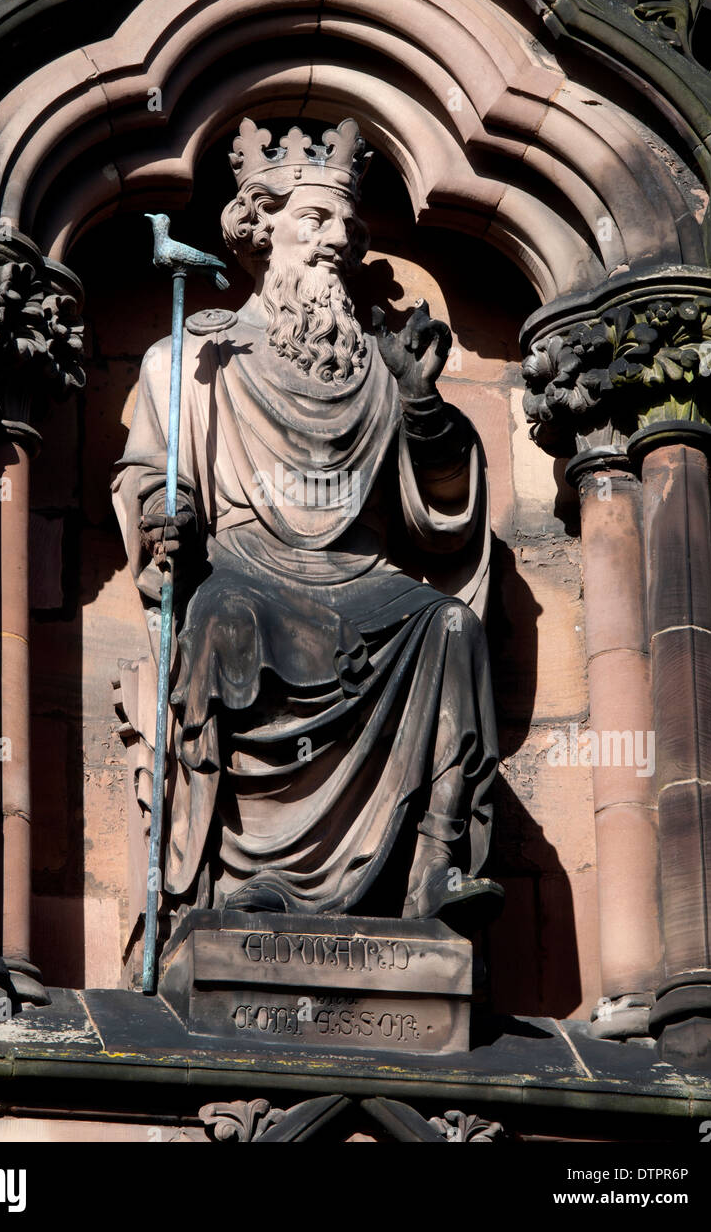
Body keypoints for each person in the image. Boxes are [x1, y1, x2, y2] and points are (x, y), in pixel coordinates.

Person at [112, 117, 499, 925]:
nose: (338, 241)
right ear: (259, 227)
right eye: (314, 220)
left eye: (349, 226)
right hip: (247, 571)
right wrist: (166, 512)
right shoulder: (191, 358)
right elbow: (152, 470)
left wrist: (421, 402)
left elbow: (439, 516)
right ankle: (229, 880)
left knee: (450, 627)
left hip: (364, 578)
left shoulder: (383, 366)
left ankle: (435, 868)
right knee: (221, 619)